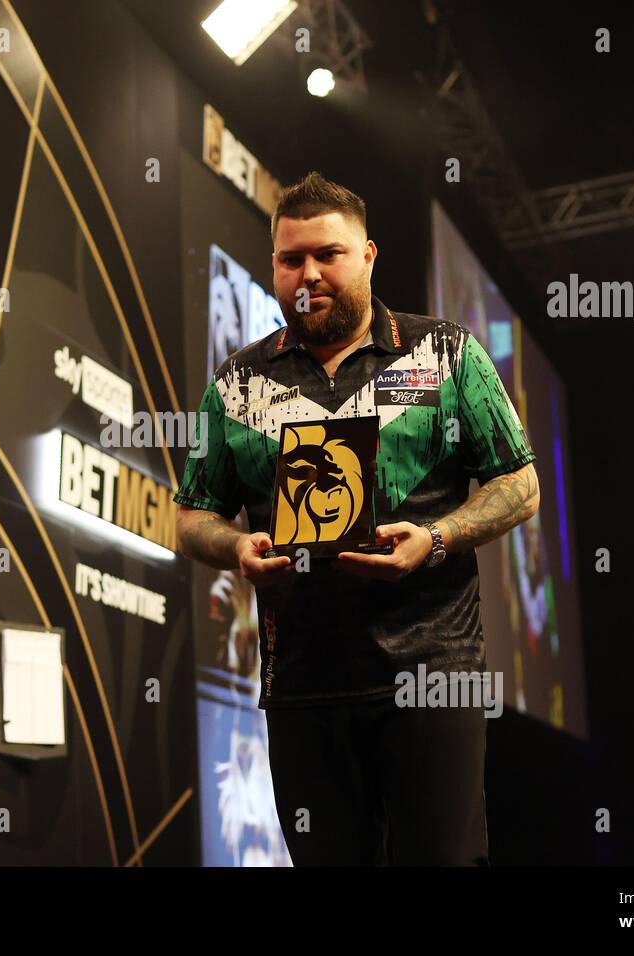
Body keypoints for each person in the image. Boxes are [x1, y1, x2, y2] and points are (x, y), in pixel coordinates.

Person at [174, 172, 540, 866]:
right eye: (290, 259)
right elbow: (193, 515)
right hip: (304, 687)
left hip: (433, 673)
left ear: (368, 256)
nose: (308, 274)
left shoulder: (446, 355)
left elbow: (520, 485)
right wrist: (236, 547)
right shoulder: (237, 384)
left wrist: (436, 539)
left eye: (328, 255)